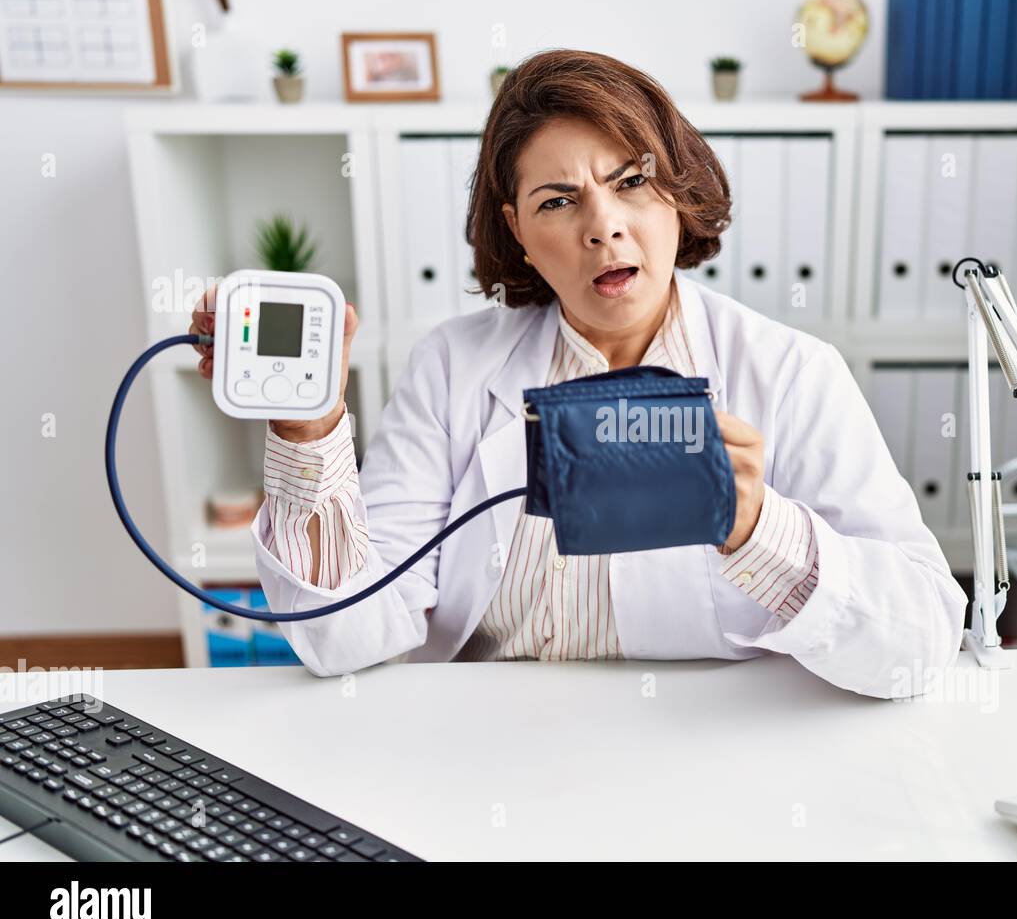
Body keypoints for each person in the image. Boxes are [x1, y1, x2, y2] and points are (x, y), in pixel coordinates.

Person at [190, 49, 968, 696]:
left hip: (706, 759)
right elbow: (340, 633)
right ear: (519, 232)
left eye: (631, 181)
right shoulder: (454, 368)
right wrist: (307, 427)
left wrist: (760, 531)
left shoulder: (793, 373)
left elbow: (922, 643)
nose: (604, 227)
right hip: (485, 756)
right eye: (559, 201)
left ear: (679, 193)